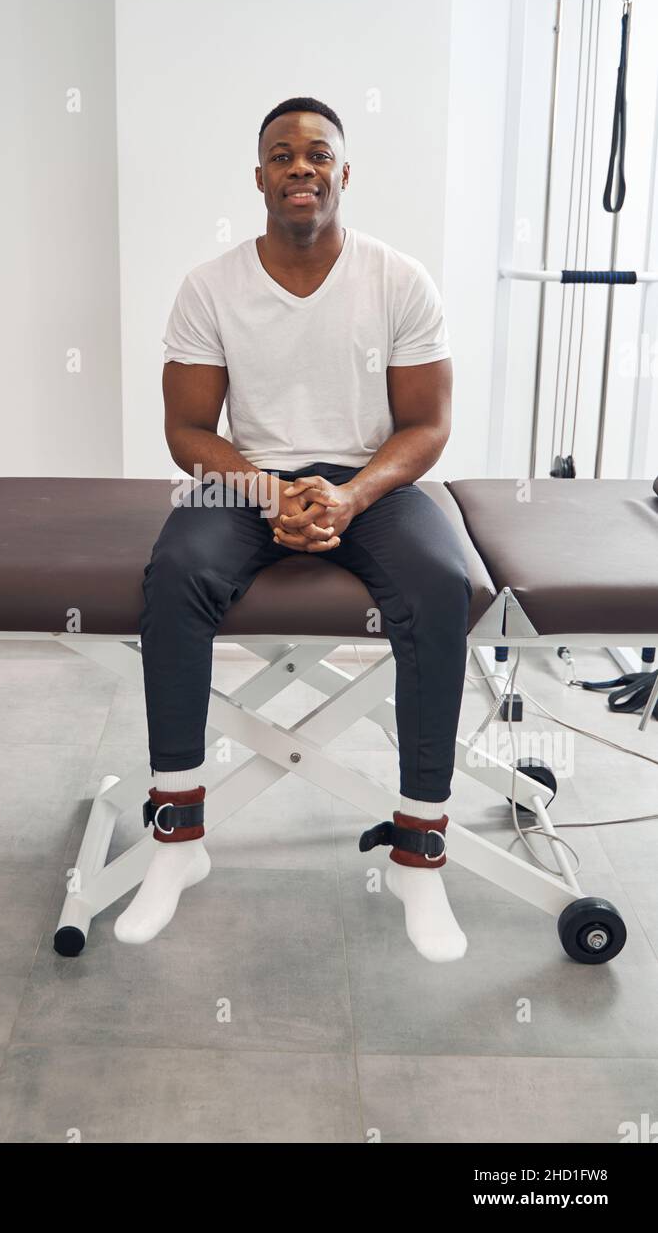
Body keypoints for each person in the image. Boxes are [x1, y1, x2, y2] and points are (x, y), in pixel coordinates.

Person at [115, 96, 472, 963]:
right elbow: (188, 432)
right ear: (261, 178)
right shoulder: (211, 285)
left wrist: (349, 498)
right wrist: (271, 492)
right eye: (282, 154)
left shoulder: (399, 280)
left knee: (440, 583)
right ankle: (178, 841)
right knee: (176, 575)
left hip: (370, 478)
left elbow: (425, 426)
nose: (300, 167)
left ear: (344, 173)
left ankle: (418, 851)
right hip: (243, 479)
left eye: (318, 154)